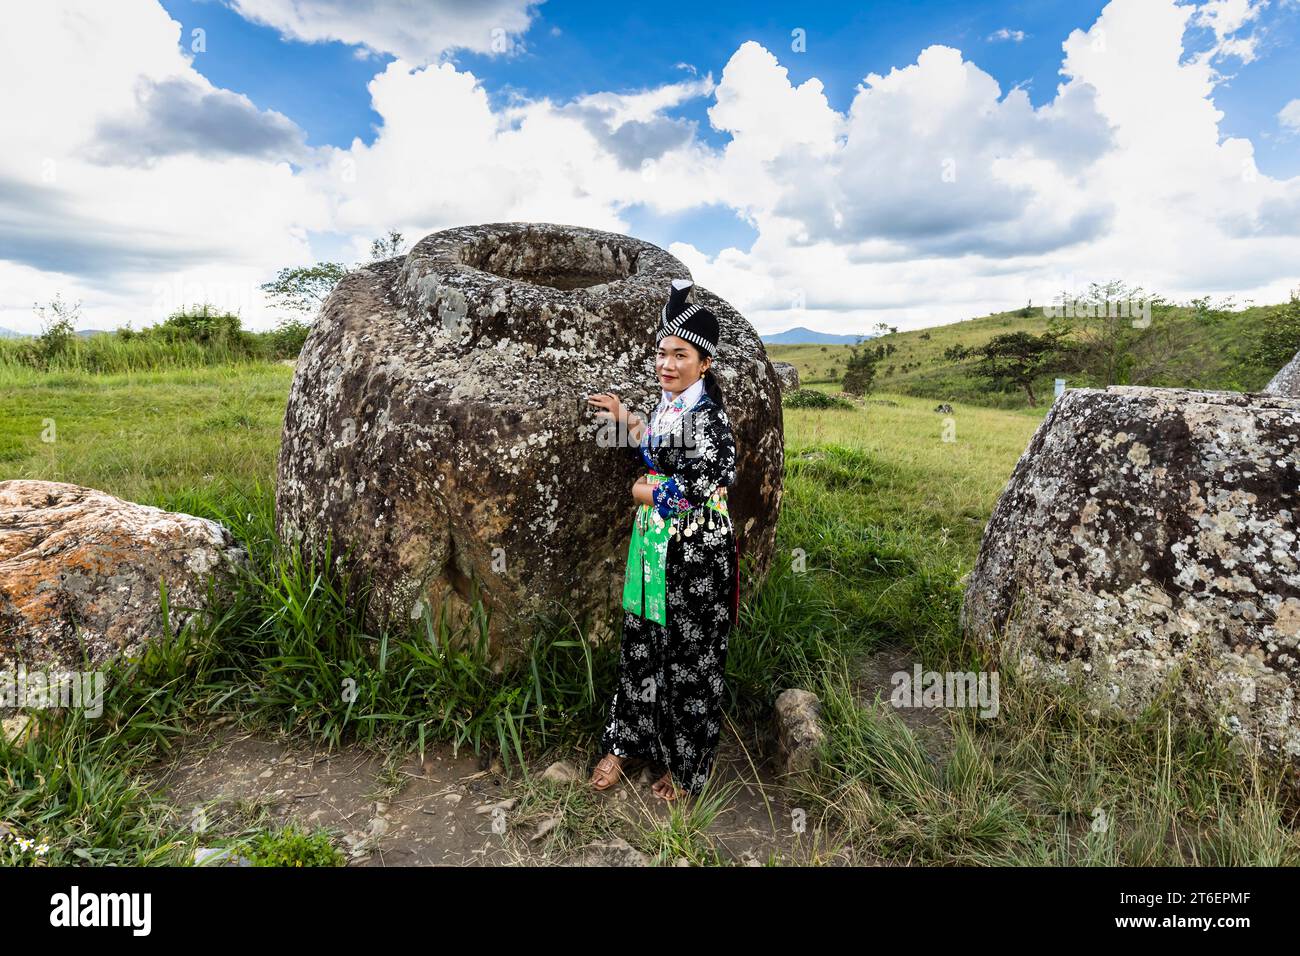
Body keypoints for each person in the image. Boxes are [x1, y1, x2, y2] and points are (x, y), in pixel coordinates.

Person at [585, 278, 739, 801]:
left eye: (680, 354)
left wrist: (640, 492)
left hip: (695, 553)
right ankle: (625, 742)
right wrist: (628, 419)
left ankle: (685, 765)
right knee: (642, 644)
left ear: (705, 363)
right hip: (653, 549)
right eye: (661, 353)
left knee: (689, 656)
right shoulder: (670, 407)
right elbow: (659, 449)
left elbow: (695, 486)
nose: (667, 364)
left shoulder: (712, 420)